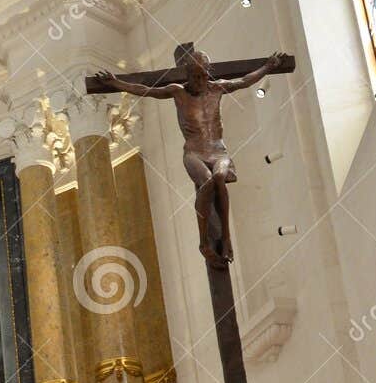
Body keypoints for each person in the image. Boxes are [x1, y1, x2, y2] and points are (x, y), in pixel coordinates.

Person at [93, 44, 289, 266]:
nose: (200, 79)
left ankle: (226, 237)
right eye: (195, 75)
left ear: (208, 72)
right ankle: (203, 242)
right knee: (206, 182)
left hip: (218, 151)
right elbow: (146, 90)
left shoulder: (217, 88)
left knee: (218, 177)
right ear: (187, 74)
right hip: (194, 151)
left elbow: (245, 80)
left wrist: (268, 66)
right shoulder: (178, 92)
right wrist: (116, 83)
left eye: (204, 74)